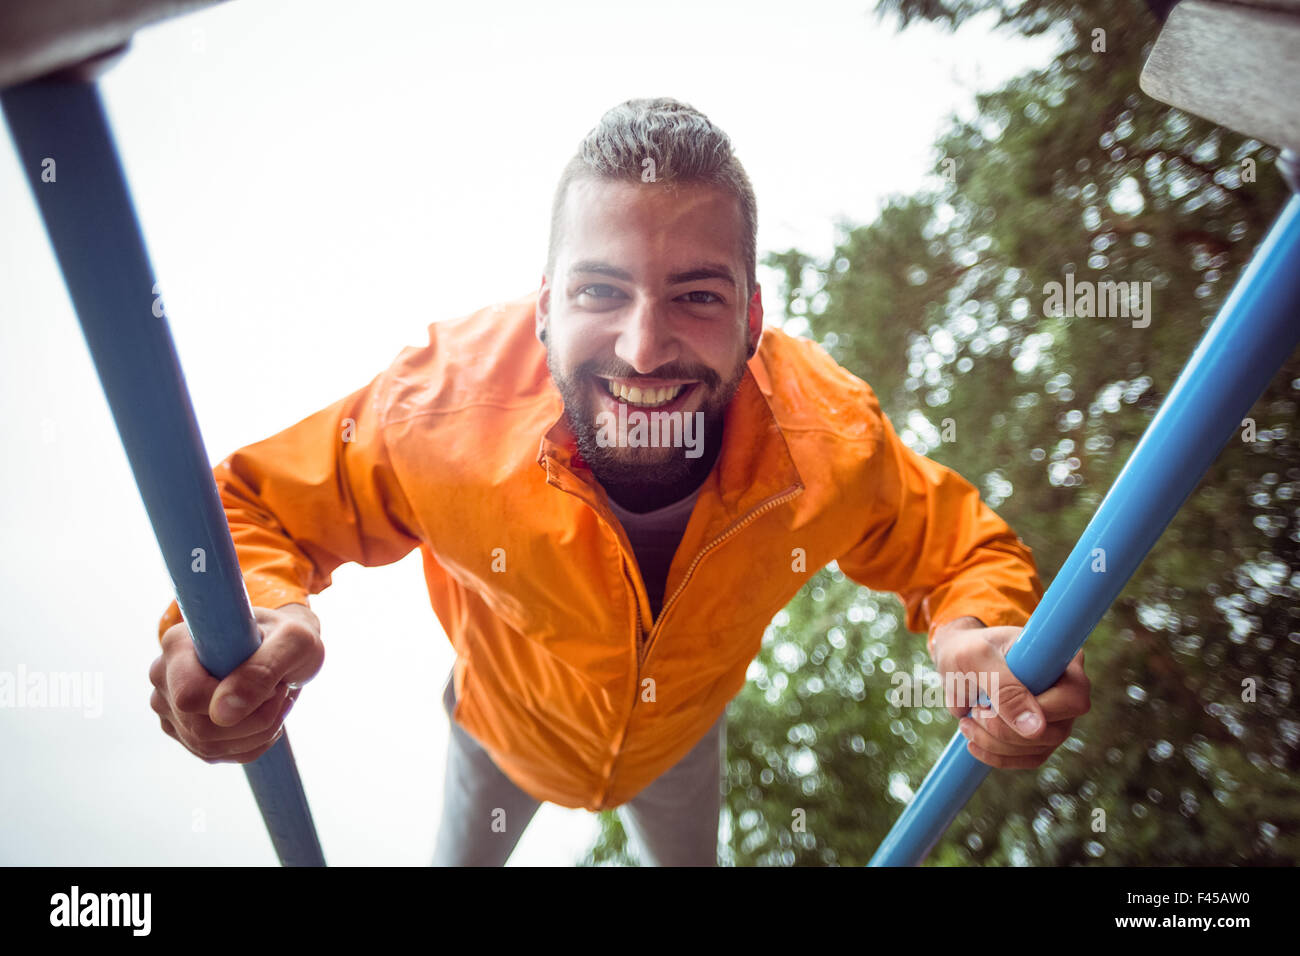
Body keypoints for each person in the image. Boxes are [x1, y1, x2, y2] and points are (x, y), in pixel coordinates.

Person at [148, 97, 1091, 866]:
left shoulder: (831, 439)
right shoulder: (435, 408)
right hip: (499, 733)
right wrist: (253, 611)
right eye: (601, 290)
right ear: (547, 308)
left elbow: (959, 550)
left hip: (679, 745)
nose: (644, 348)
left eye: (696, 294)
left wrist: (982, 629)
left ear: (752, 316)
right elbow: (253, 505)